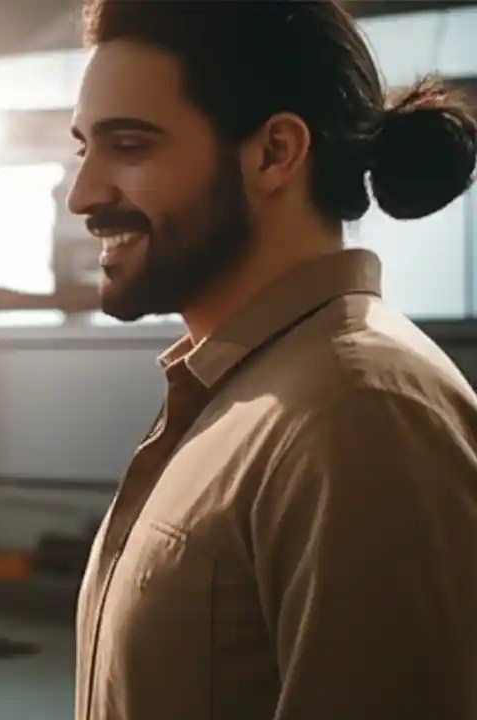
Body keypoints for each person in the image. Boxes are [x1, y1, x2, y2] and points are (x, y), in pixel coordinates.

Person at [67, 1, 477, 718]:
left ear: (275, 153)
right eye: (84, 150)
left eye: (129, 146)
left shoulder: (362, 412)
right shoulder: (241, 390)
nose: (82, 194)